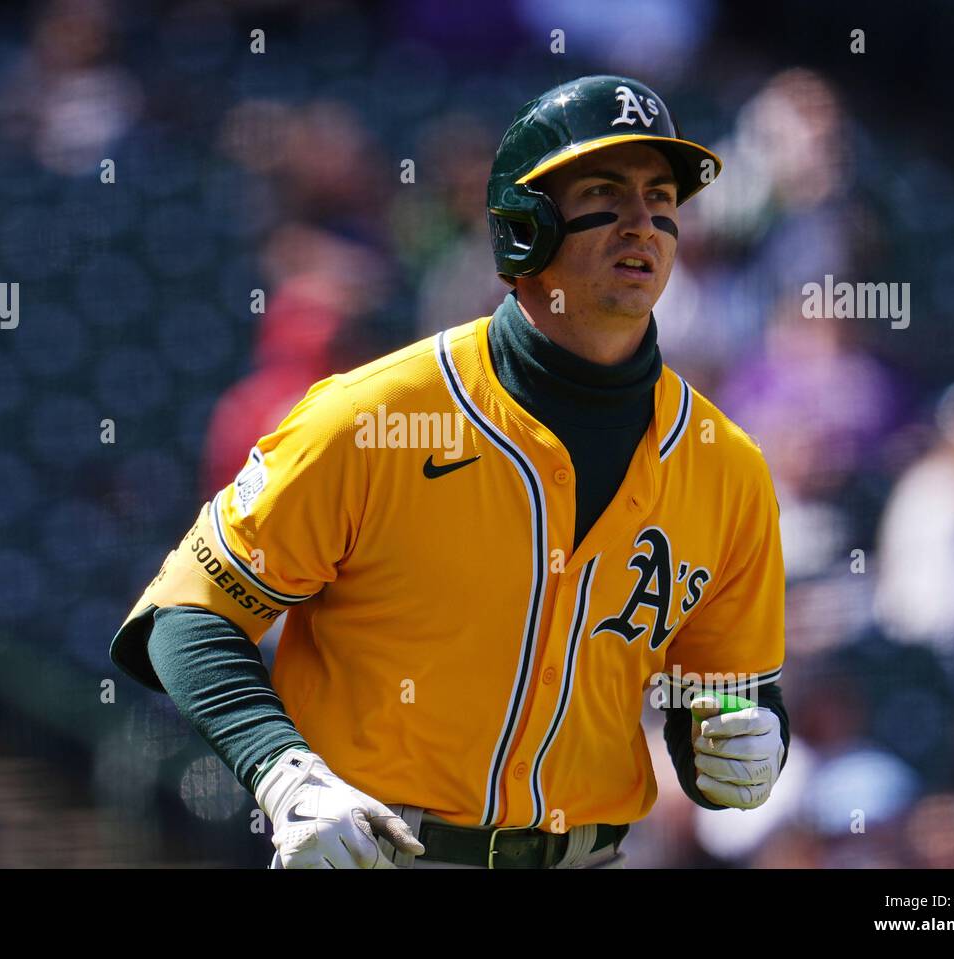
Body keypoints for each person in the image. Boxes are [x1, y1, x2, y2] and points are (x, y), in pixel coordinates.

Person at [111, 75, 790, 869]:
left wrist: (746, 740)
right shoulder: (377, 415)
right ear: (526, 227)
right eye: (607, 191)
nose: (644, 222)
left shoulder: (728, 467)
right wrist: (283, 773)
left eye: (662, 195)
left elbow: (723, 692)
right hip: (382, 852)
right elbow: (183, 616)